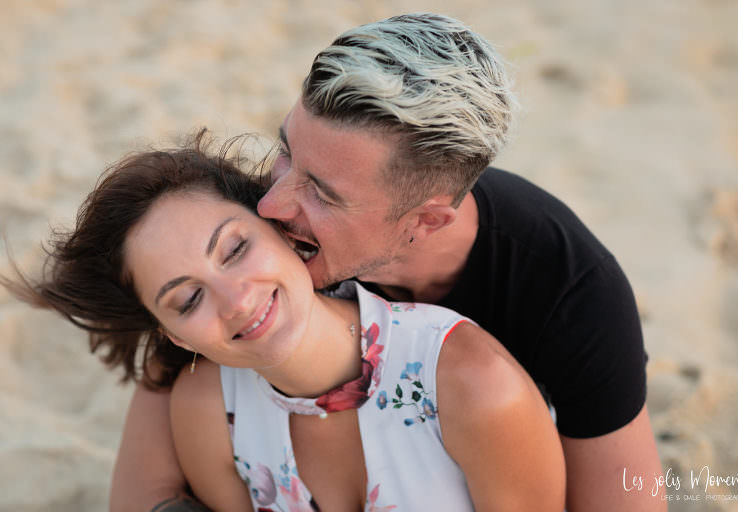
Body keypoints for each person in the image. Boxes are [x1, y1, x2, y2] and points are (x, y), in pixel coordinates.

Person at [111, 13, 664, 512]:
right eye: (286, 152)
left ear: (423, 223)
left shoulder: (571, 293)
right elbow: (147, 491)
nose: (272, 203)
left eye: (323, 195)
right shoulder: (253, 239)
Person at [1, 136, 566, 511]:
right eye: (188, 298)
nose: (235, 300)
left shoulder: (470, 383)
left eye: (235, 249)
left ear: (284, 230)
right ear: (173, 335)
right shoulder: (206, 409)